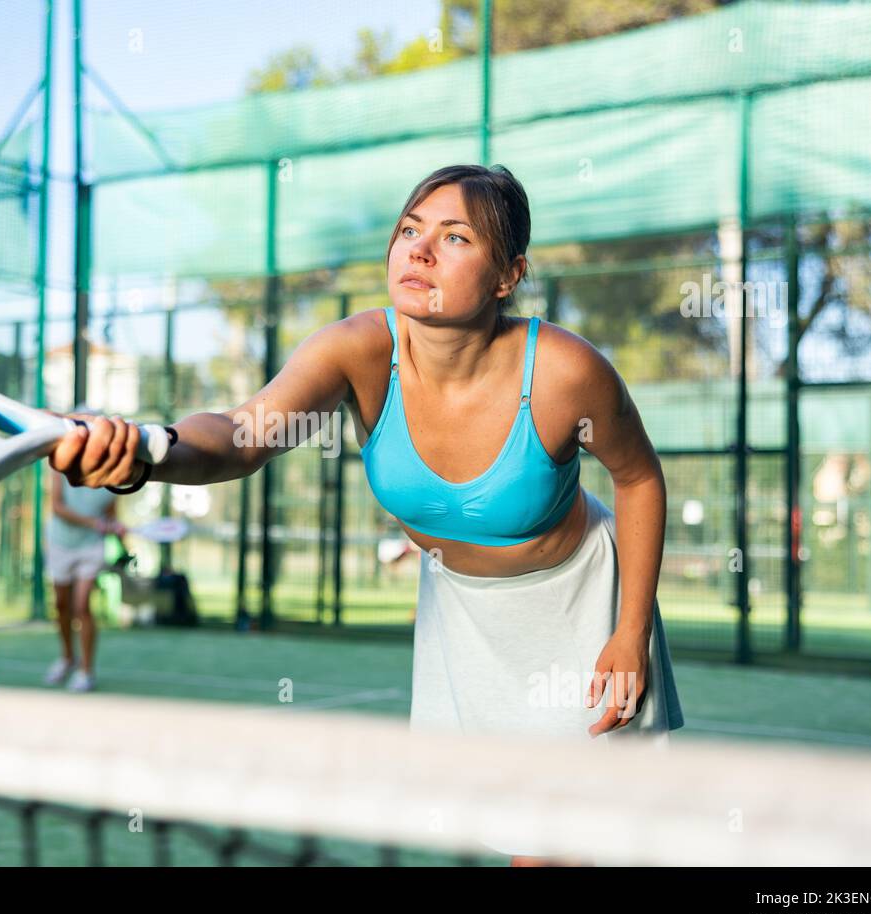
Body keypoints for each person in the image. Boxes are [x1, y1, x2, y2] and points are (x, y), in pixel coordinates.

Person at [47, 164, 685, 865]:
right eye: (410, 230)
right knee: (517, 834)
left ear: (508, 275)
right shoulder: (357, 351)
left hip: (578, 609)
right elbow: (239, 437)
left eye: (454, 237)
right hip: (461, 617)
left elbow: (639, 478)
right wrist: (149, 448)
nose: (418, 250)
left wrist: (629, 631)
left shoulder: (566, 372)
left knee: (554, 847)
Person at [43, 408, 128, 693]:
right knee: (61, 606)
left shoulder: (113, 474)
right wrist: (96, 522)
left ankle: (86, 670)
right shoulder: (60, 463)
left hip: (90, 546)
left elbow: (112, 515)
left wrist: (117, 528)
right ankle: (67, 658)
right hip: (60, 543)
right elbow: (57, 507)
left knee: (82, 606)